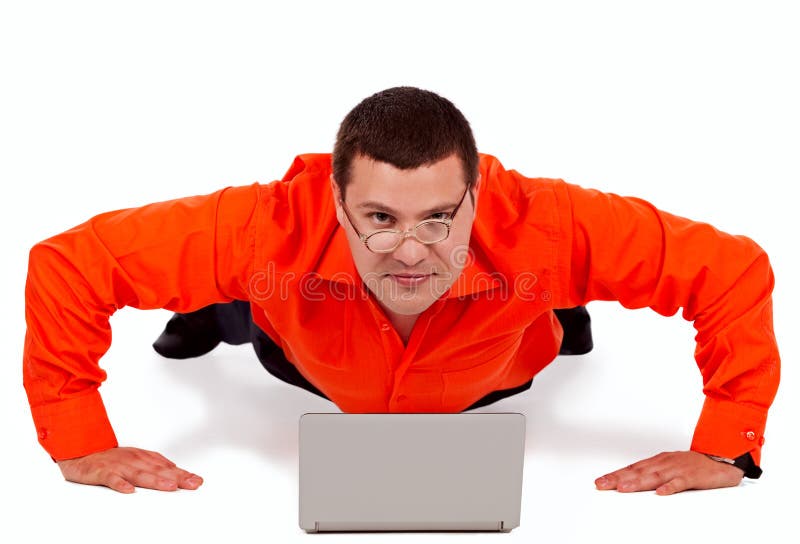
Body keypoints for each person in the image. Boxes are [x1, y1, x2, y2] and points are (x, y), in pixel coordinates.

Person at [24, 86, 779, 496]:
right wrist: (81, 442)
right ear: (336, 198)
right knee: (245, 300)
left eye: (440, 219)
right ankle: (214, 307)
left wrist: (727, 447)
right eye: (379, 217)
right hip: (303, 350)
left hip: (500, 359)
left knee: (549, 299)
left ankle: (560, 308)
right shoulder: (266, 224)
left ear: (477, 198)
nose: (411, 252)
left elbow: (733, 270)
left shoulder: (548, 223)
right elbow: (67, 265)